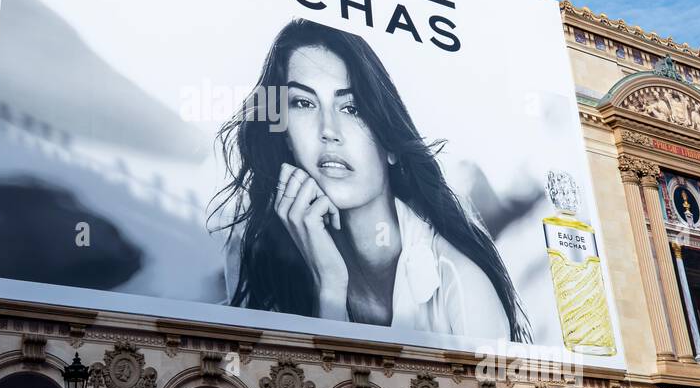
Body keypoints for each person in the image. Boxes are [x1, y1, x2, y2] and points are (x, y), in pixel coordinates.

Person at [213, 19, 530, 341]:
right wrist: (330, 289)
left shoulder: (460, 284)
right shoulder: (257, 259)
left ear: (390, 142)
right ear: (286, 138)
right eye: (304, 103)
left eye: (351, 108)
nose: (328, 131)